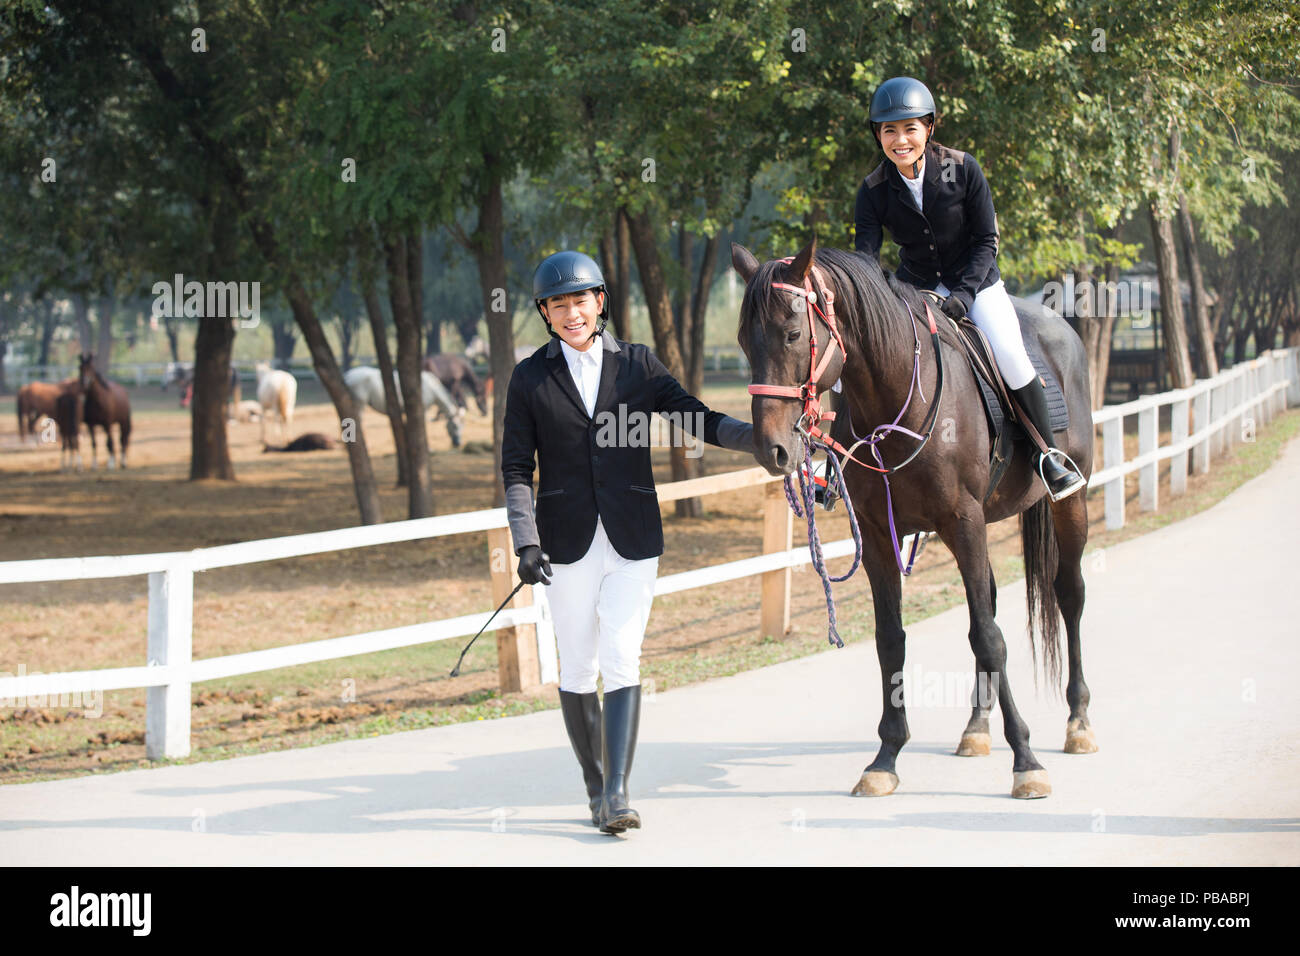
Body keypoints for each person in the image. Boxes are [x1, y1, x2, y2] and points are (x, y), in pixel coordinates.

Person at [500, 250, 756, 834]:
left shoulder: (638, 366)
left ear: (600, 302)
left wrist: (757, 441)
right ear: (544, 312)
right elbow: (517, 468)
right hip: (564, 544)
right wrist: (525, 540)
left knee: (621, 654)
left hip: (633, 538)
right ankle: (594, 786)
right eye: (558, 304)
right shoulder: (530, 377)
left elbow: (695, 417)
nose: (571, 313)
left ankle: (617, 793)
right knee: (577, 666)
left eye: (580, 300)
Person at [854, 76, 1087, 501]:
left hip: (977, 285)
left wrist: (962, 295)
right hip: (917, 287)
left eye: (910, 128)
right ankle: (841, 465)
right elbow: (866, 259)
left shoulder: (963, 168)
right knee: (858, 360)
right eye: (889, 130)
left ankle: (1047, 454)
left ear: (929, 128)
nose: (900, 139)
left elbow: (986, 240)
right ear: (878, 135)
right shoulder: (873, 190)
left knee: (1011, 355)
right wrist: (885, 300)